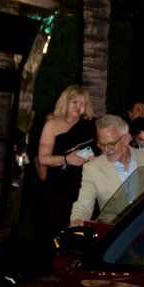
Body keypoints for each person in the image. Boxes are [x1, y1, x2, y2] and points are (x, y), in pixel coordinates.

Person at [69, 115, 144, 226]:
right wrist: (77, 220)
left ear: (126, 139)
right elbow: (83, 205)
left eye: (111, 144)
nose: (106, 150)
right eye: (101, 144)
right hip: (115, 236)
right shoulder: (92, 169)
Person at [35, 85, 95, 238]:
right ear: (65, 102)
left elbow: (99, 151)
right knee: (57, 232)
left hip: (83, 187)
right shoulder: (52, 125)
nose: (78, 107)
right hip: (58, 188)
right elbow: (43, 159)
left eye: (82, 104)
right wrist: (66, 159)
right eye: (75, 102)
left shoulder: (89, 126)